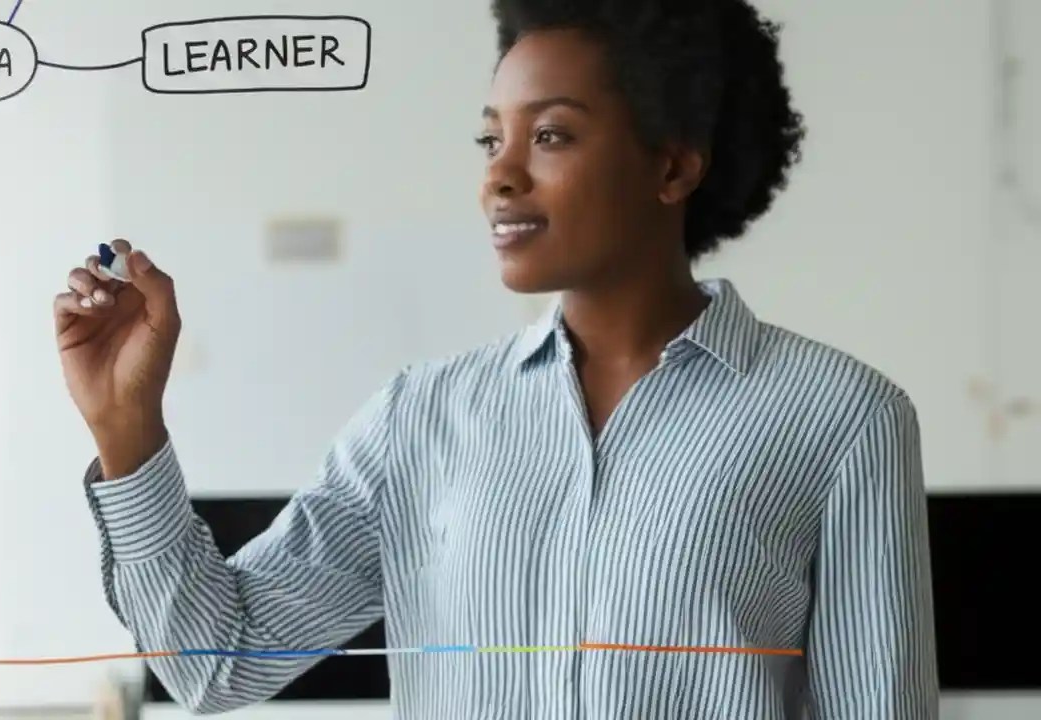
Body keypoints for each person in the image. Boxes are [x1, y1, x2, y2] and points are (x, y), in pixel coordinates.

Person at [53, 0, 939, 717]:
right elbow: (217, 663)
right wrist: (127, 428)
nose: (499, 176)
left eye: (549, 136)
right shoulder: (422, 417)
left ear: (671, 167)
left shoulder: (843, 420)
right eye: (491, 140)